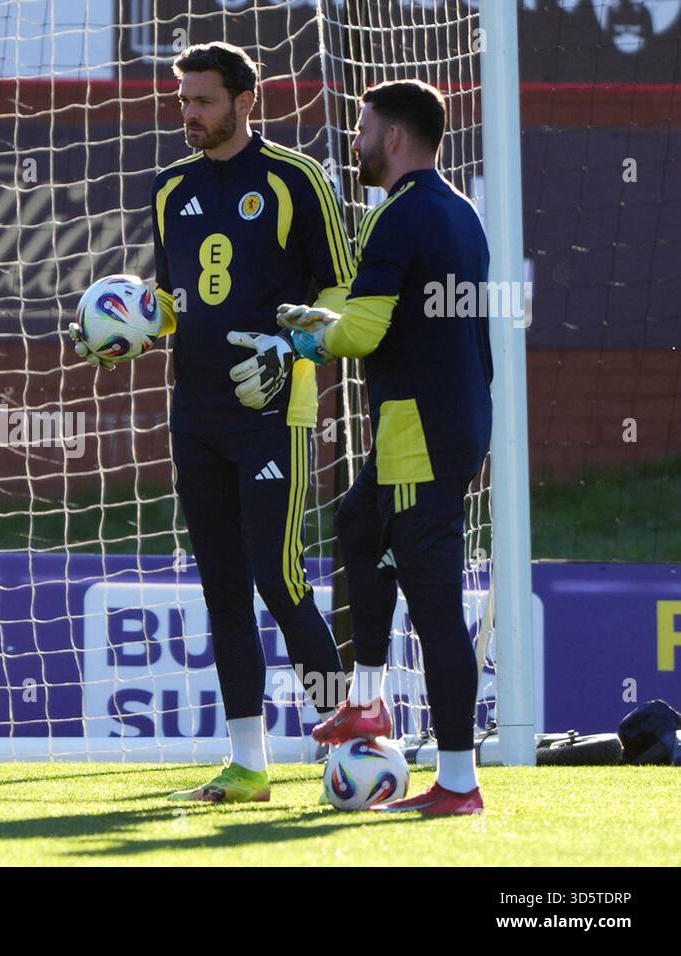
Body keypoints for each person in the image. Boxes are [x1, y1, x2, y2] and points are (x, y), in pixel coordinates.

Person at [72, 42, 353, 803]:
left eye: (202, 101)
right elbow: (178, 301)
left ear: (243, 99)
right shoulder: (170, 188)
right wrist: (126, 325)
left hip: (274, 412)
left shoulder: (297, 179)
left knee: (281, 578)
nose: (188, 113)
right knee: (223, 588)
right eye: (183, 100)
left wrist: (289, 344)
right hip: (193, 415)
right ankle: (248, 765)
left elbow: (344, 293)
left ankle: (350, 746)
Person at [281, 79, 492, 815]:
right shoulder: (460, 211)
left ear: (394, 137)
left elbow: (362, 331)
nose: (356, 140)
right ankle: (368, 704)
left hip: (418, 434)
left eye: (364, 126)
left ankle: (459, 784)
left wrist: (302, 338)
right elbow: (406, 320)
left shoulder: (396, 218)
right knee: (356, 527)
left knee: (434, 605)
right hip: (450, 423)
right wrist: (322, 317)